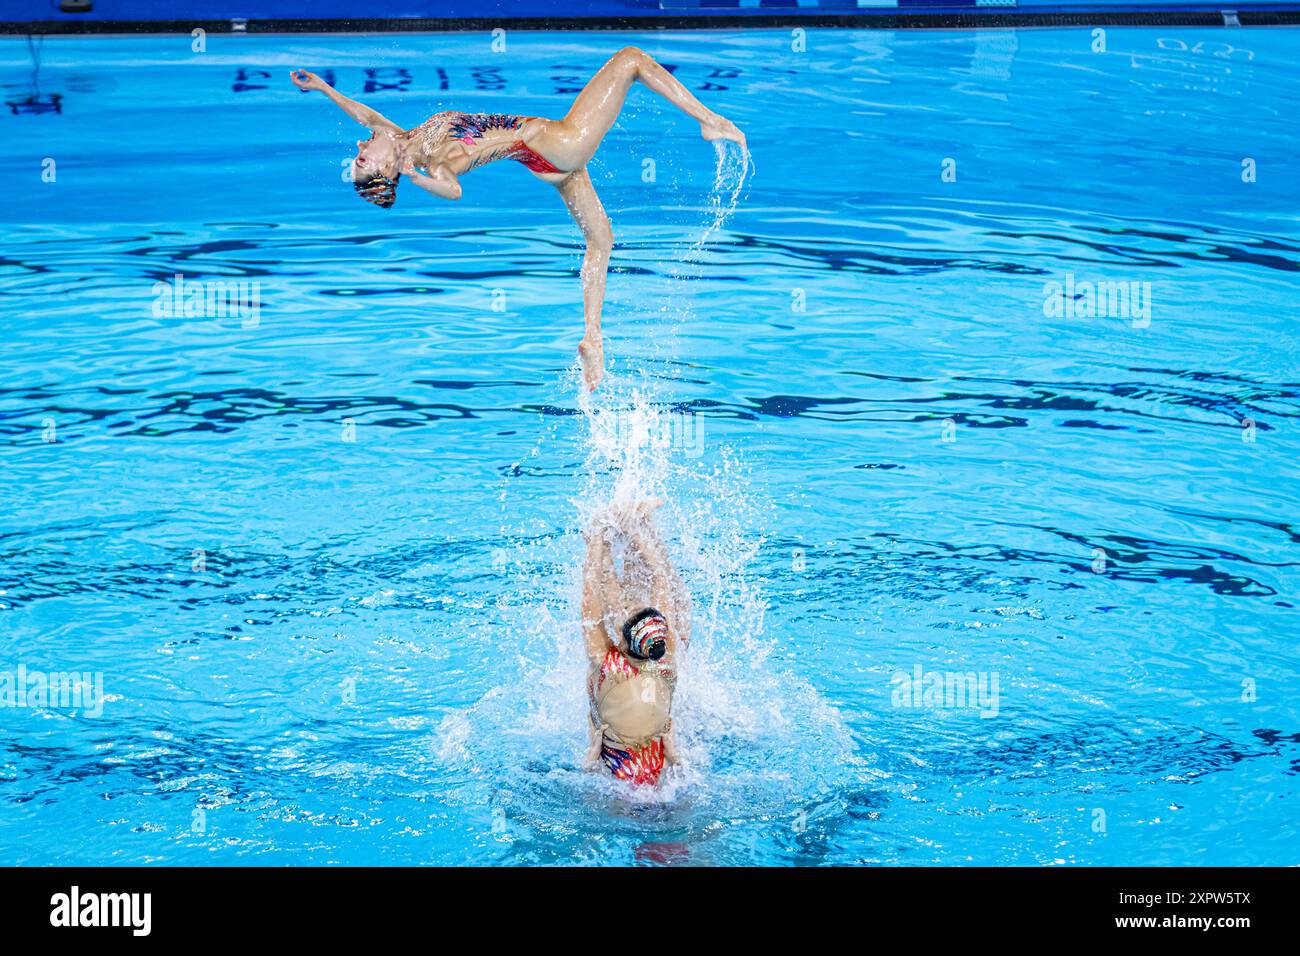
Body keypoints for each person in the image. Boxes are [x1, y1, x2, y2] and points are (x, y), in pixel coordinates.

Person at [289, 47, 746, 391]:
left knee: (601, 240)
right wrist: (415, 177)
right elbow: (453, 191)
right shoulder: (431, 161)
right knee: (629, 60)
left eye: (361, 152)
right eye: (365, 161)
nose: (360, 148)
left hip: (548, 164)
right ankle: (709, 120)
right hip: (560, 144)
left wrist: (325, 89)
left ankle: (592, 337)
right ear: (391, 170)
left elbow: (366, 116)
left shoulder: (401, 138)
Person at [580, 498, 691, 785]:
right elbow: (662, 583)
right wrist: (640, 531)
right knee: (653, 597)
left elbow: (590, 602)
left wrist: (596, 539)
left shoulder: (610, 665)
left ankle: (626, 523)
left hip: (621, 776)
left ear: (625, 641)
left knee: (621, 604)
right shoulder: (665, 659)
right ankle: (635, 521)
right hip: (653, 773)